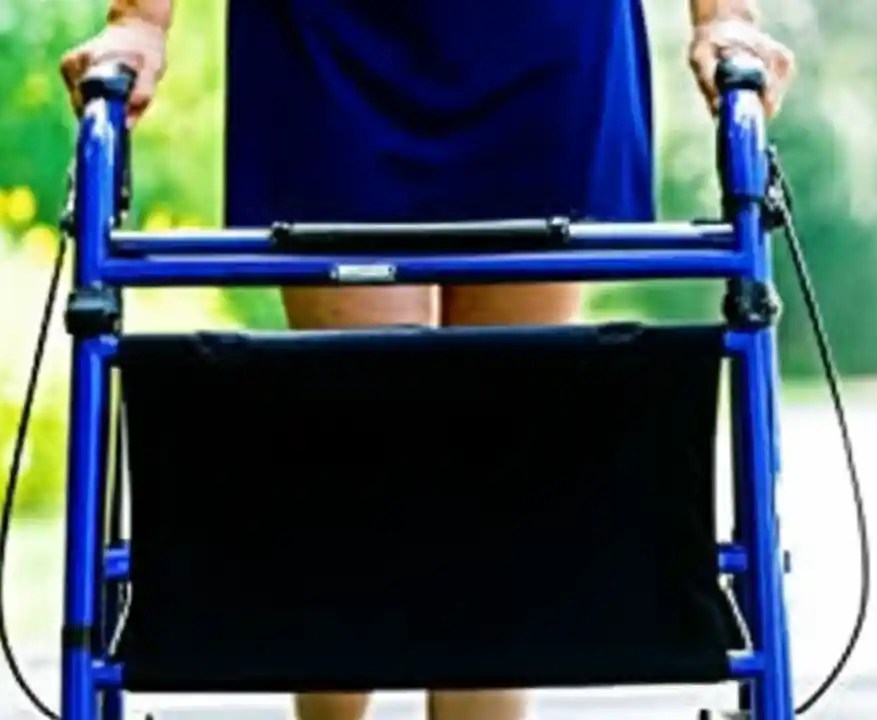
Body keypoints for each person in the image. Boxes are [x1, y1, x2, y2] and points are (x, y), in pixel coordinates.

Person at [61, 1, 794, 719]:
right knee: (351, 454)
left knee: (503, 470)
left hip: (540, 36)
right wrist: (141, 21)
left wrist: (724, 17)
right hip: (330, 32)